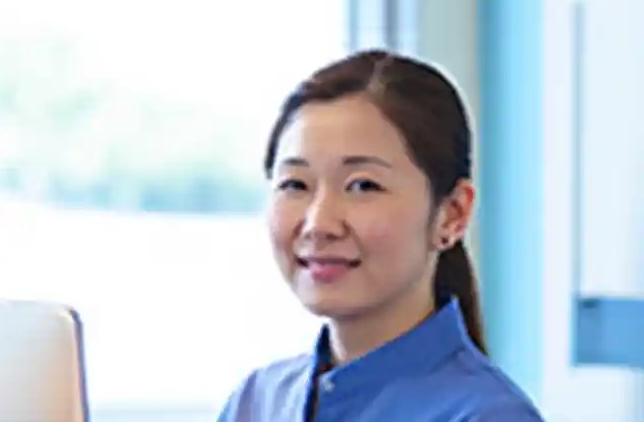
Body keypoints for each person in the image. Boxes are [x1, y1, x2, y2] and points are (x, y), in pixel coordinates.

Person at [218, 50, 544, 421]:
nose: (319, 223)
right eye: (295, 184)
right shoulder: (256, 401)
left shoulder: (486, 415)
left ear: (452, 214)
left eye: (363, 186)